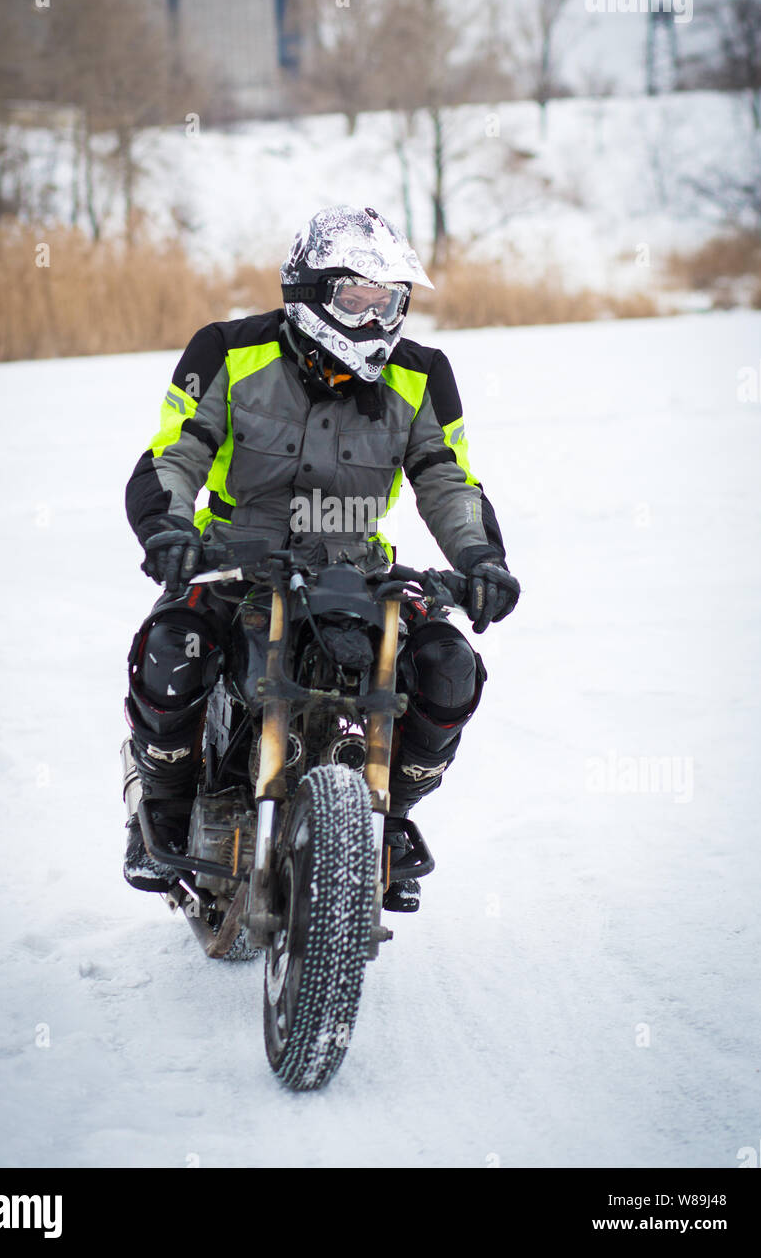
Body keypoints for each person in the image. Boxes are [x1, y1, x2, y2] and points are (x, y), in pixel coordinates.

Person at [123, 204, 519, 912]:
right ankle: (164, 806)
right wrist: (168, 528)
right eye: (354, 300)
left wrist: (481, 558)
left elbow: (448, 478)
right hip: (236, 560)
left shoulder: (423, 374)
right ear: (307, 295)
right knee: (171, 647)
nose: (373, 321)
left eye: (387, 303)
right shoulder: (227, 348)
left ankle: (389, 815)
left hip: (356, 574)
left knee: (448, 669)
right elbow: (173, 453)